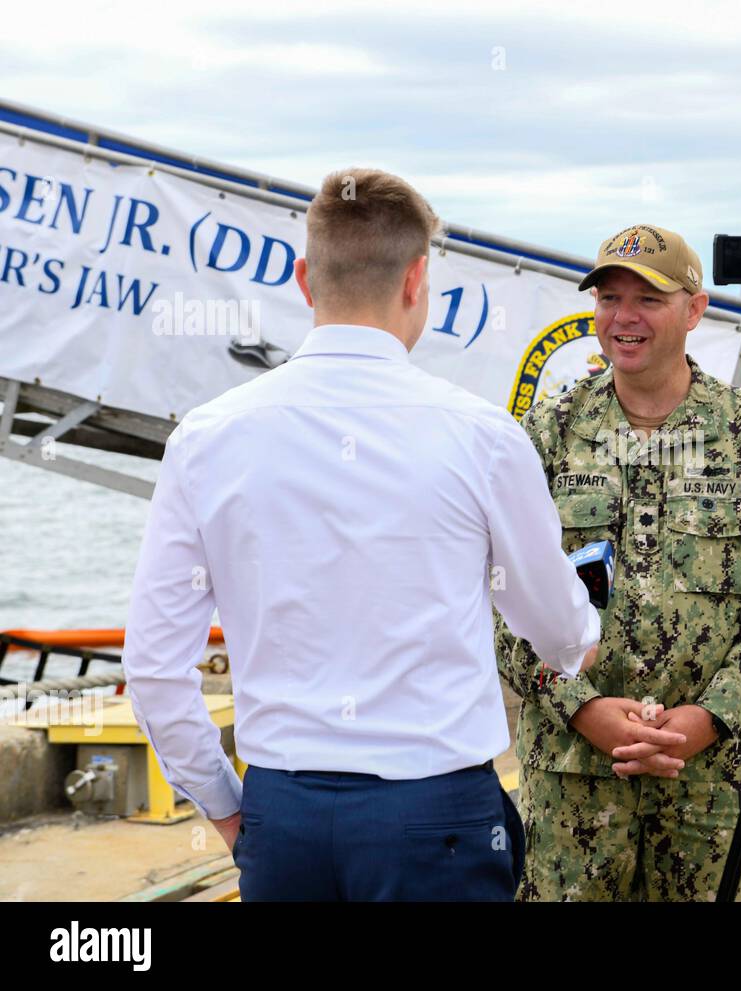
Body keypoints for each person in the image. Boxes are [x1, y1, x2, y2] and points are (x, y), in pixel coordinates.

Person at [122, 168, 601, 901]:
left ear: (305, 278)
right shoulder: (482, 436)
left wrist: (226, 807)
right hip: (436, 815)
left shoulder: (206, 437)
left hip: (284, 816)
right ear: (416, 280)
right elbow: (559, 630)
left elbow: (155, 671)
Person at [495, 223, 741, 901]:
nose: (624, 318)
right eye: (610, 298)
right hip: (575, 782)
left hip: (715, 784)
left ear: (695, 309)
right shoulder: (543, 437)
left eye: (647, 299)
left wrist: (709, 717)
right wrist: (581, 707)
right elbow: (498, 592)